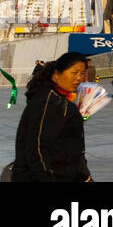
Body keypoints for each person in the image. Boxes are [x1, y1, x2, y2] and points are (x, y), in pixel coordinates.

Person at [12, 52, 92, 182]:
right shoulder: (47, 101)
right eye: (74, 72)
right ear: (56, 75)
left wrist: (84, 176)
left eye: (82, 73)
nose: (78, 78)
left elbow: (70, 146)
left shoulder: (62, 101)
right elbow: (36, 148)